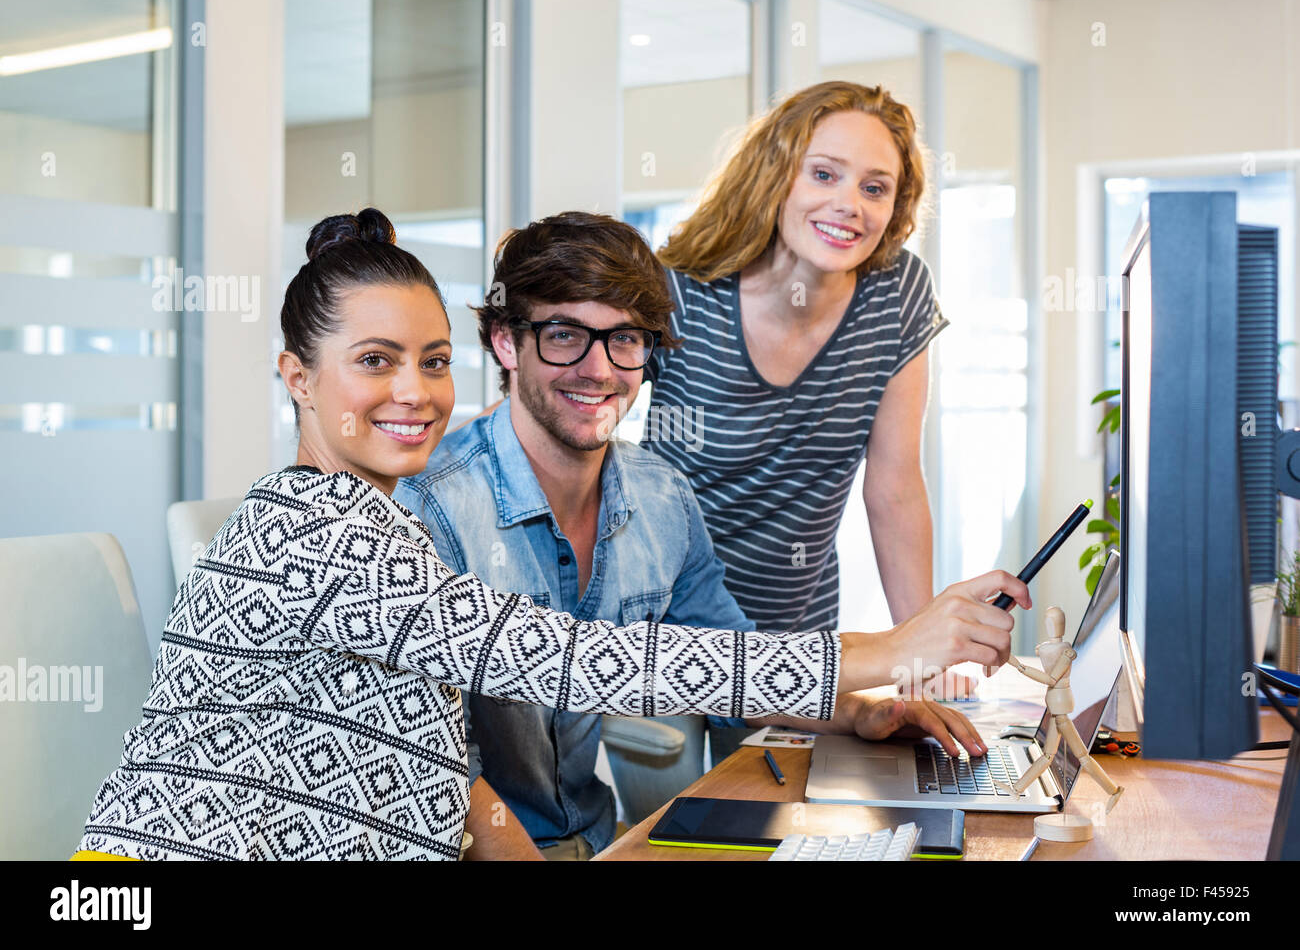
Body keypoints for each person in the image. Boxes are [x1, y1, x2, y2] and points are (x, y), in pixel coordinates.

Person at [74, 207, 1030, 861]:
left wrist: (860, 699)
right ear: (296, 377)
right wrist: (884, 649)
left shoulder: (369, 517)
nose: (413, 393)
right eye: (375, 362)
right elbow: (565, 661)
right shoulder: (323, 531)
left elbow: (707, 651)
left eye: (429, 362)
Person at [395, 212, 991, 860]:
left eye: (624, 339)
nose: (598, 369)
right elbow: (442, 763)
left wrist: (859, 712)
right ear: (507, 343)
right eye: (565, 335)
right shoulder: (430, 507)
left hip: (599, 842)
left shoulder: (661, 498)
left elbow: (733, 661)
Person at [649, 81, 947, 654]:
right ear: (776, 175)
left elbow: (896, 487)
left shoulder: (898, 293)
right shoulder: (681, 289)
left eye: (875, 187)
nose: (849, 204)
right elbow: (576, 407)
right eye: (824, 174)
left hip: (794, 639)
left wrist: (922, 650)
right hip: (662, 627)